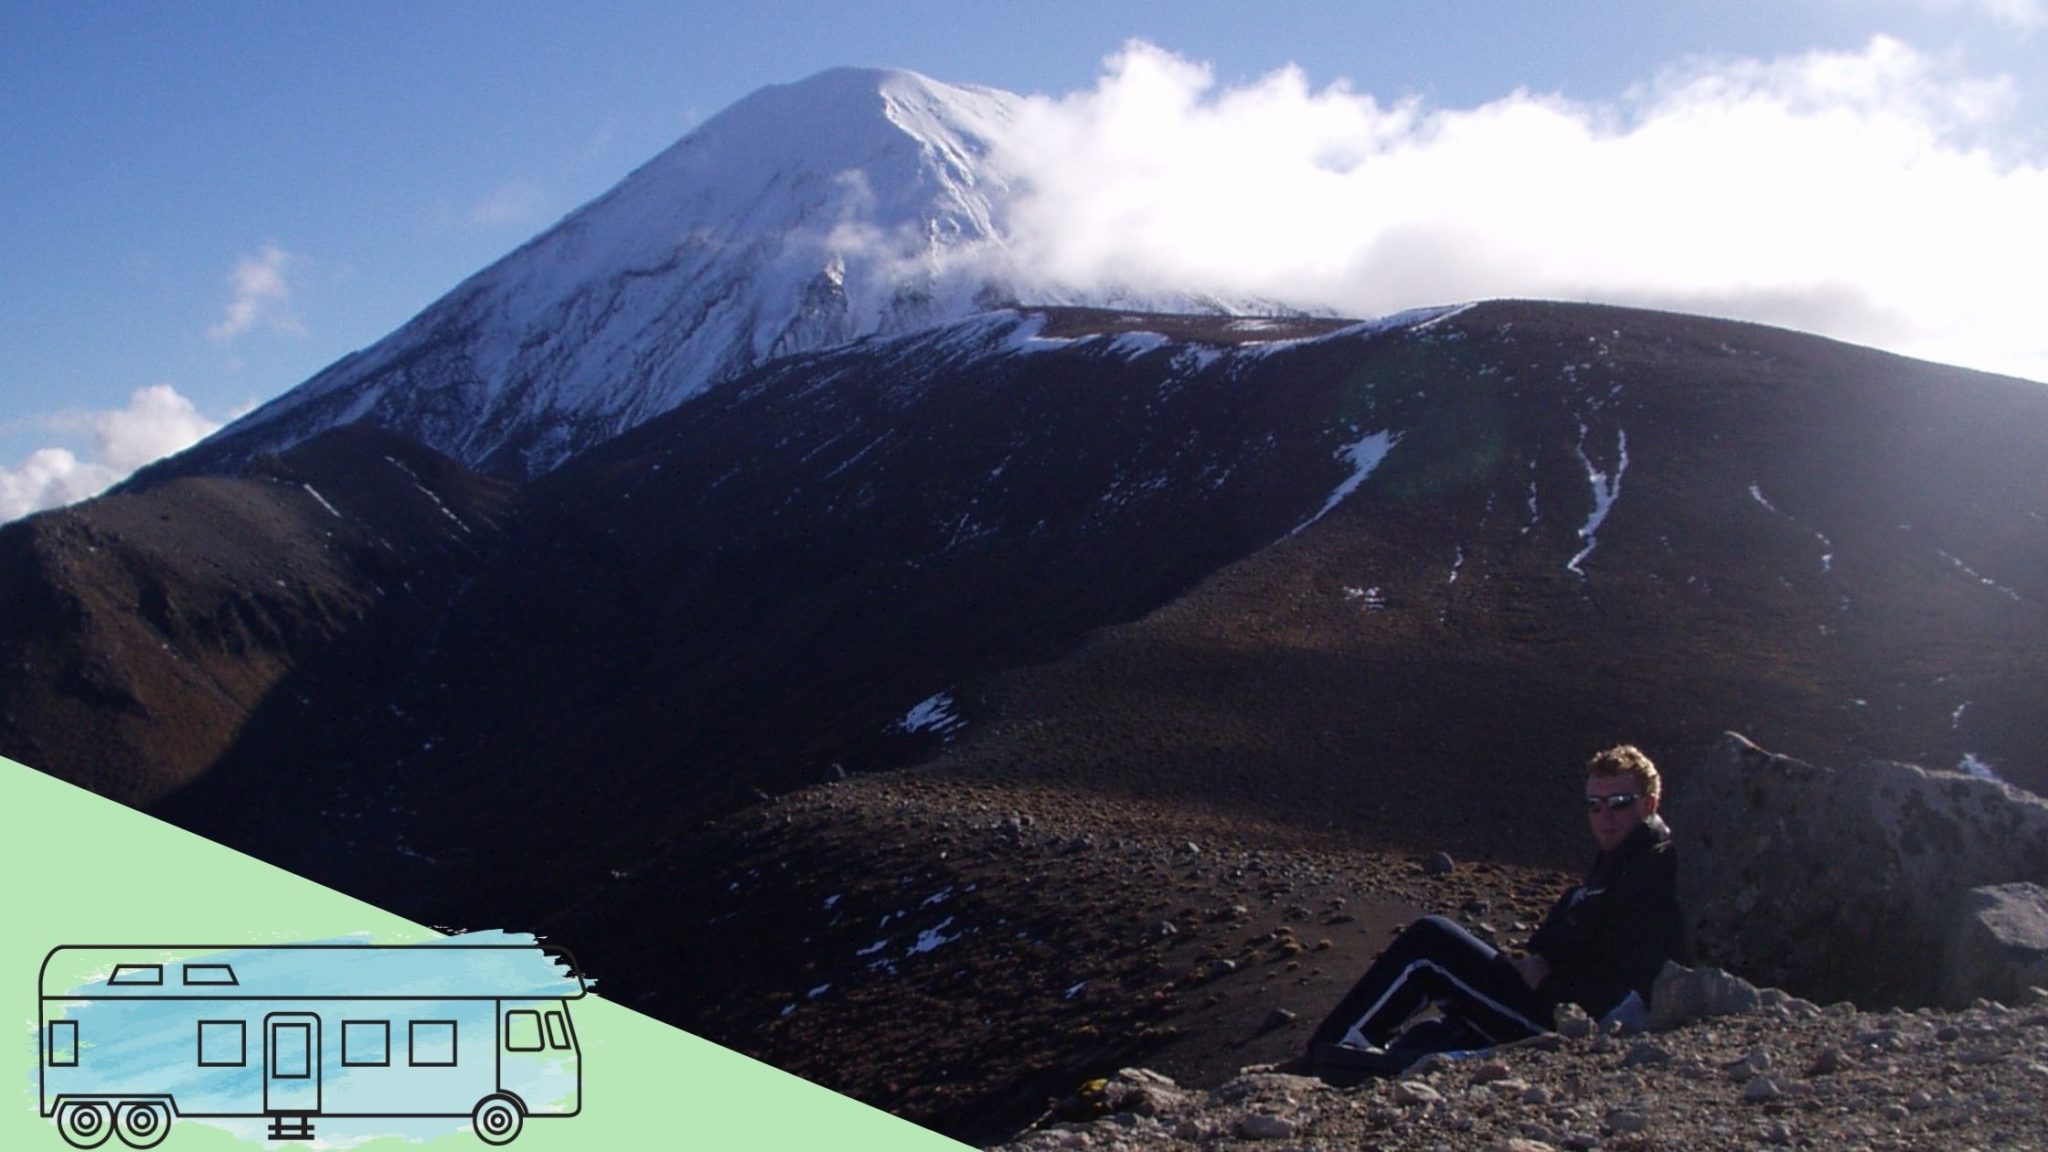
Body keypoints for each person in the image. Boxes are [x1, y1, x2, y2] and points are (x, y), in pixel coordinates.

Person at [1306, 744, 1688, 1080]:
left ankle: (1320, 1058)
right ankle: (1340, 1060)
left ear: (1649, 804)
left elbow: (1638, 979)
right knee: (1426, 1037)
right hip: (1541, 1003)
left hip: (1561, 1022)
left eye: (1620, 803)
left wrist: (1549, 982)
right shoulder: (1611, 866)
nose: (1605, 816)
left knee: (1431, 945)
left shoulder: (1649, 870)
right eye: (1595, 805)